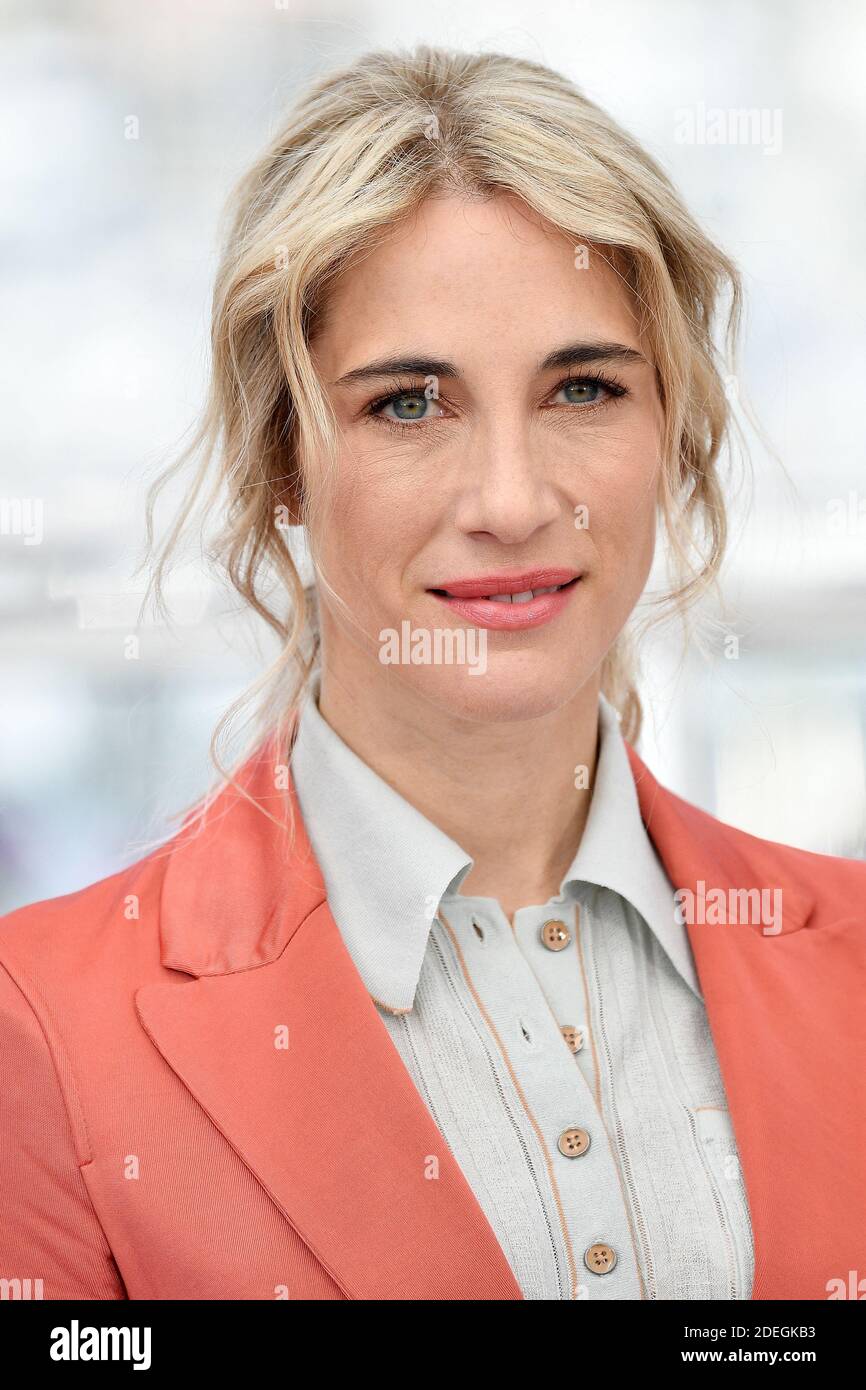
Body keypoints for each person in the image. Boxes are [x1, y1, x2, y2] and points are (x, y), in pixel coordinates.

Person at [1, 45, 863, 1303]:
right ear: (279, 461)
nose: (510, 502)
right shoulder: (43, 1028)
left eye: (582, 388)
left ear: (669, 428)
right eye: (409, 404)